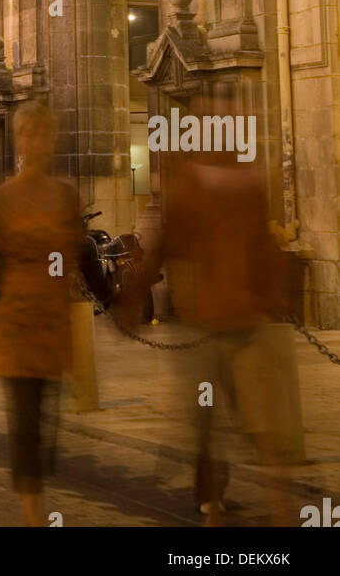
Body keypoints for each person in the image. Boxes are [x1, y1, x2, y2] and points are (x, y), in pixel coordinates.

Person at [116, 112, 291, 526]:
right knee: (220, 420)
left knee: (242, 422)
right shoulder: (199, 186)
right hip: (218, 323)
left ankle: (265, 509)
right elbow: (164, 246)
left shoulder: (238, 185)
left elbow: (260, 247)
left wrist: (131, 300)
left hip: (234, 321)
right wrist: (132, 298)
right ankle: (218, 506)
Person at [0, 101, 81, 527]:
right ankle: (31, 509)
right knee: (25, 417)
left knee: (47, 419)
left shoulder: (65, 196)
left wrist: (115, 302)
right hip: (16, 320)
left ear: (52, 140)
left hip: (52, 318)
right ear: (19, 140)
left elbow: (80, 253)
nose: (37, 141)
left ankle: (34, 488)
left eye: (44, 133)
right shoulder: (2, 198)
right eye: (29, 133)